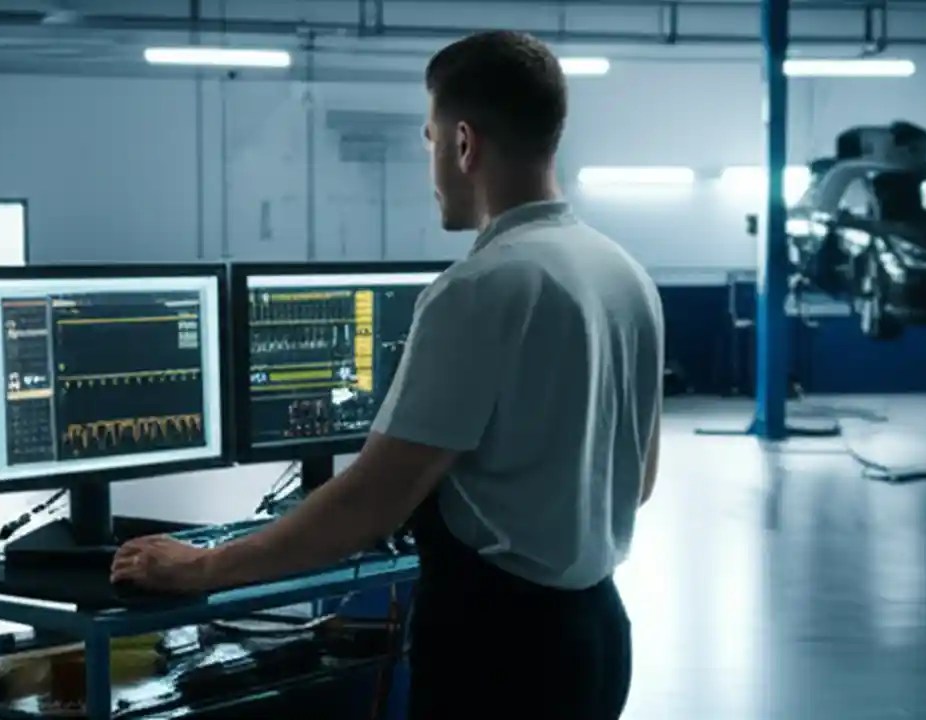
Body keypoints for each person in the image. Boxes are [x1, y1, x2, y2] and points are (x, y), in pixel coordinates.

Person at [110, 30, 664, 720]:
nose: (431, 163)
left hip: (501, 652)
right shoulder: (623, 273)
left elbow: (367, 507)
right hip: (598, 637)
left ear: (464, 143)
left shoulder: (481, 287)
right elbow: (636, 482)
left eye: (430, 141)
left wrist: (201, 567)